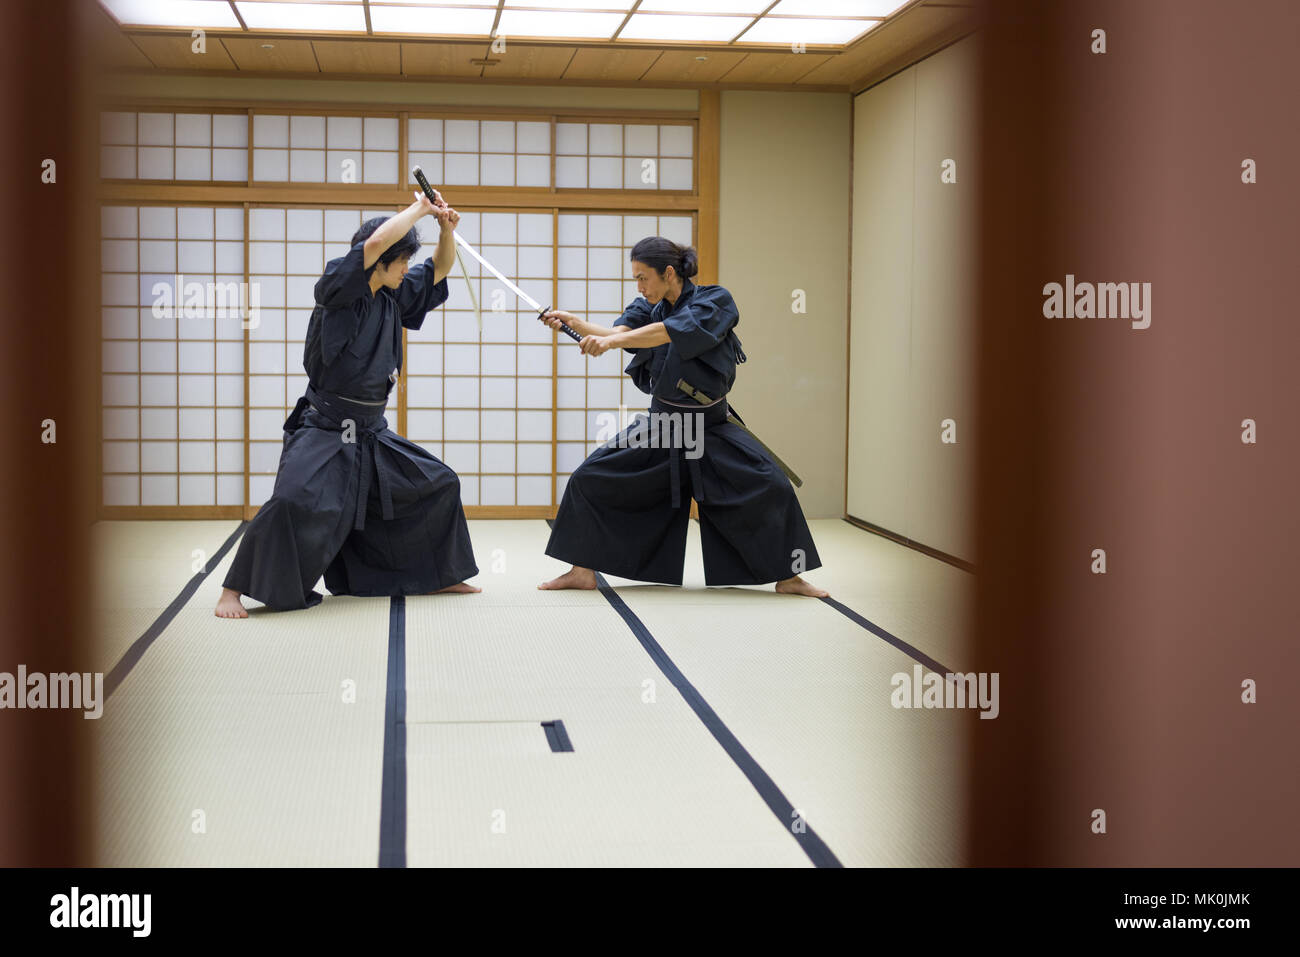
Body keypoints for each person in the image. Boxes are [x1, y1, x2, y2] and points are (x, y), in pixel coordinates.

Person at [215, 191, 480, 617]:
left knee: (438, 483)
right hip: (326, 427)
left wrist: (445, 229)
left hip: (371, 430)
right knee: (290, 501)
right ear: (380, 261)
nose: (407, 269)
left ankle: (436, 575)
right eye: (402, 261)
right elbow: (373, 246)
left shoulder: (392, 293)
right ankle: (233, 589)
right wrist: (420, 210)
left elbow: (441, 267)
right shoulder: (340, 290)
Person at [538, 237, 829, 598]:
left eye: (644, 277)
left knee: (772, 485)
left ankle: (790, 577)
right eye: (636, 279)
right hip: (664, 425)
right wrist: (576, 323)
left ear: (669, 273)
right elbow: (621, 334)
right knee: (590, 477)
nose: (640, 286)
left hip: (711, 425)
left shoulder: (714, 300)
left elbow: (670, 332)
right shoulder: (648, 306)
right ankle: (582, 571)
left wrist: (609, 343)